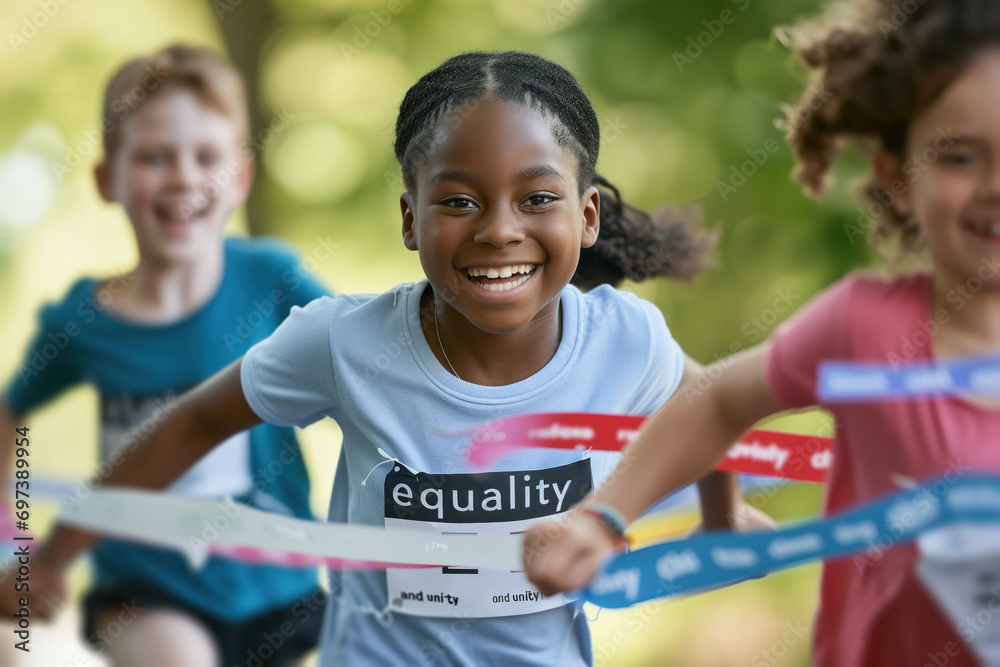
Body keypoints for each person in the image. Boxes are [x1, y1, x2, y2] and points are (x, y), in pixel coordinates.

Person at [7, 50, 760, 665]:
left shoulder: (625, 338)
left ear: (586, 213)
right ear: (410, 218)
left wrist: (721, 522)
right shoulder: (343, 341)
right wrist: (58, 555)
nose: (499, 229)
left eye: (537, 198)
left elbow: (711, 408)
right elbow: (190, 424)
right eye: (459, 200)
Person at [523, 0, 1000, 665]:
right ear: (896, 176)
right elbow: (717, 399)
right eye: (958, 158)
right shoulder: (864, 325)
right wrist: (602, 516)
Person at [0, 45, 330, 666]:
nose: (182, 176)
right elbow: (8, 414)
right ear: (107, 180)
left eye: (206, 156)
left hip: (278, 586)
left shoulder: (272, 280)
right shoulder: (83, 320)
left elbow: (366, 358)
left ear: (241, 177)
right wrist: (12, 549)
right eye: (154, 157)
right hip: (143, 593)